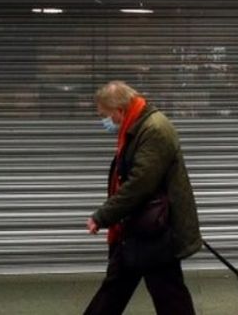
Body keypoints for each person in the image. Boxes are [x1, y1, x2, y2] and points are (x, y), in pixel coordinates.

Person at [84, 81, 202, 315]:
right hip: (143, 227)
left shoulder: (153, 129)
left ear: (119, 110)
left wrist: (103, 215)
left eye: (105, 116)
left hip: (154, 230)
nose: (105, 122)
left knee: (163, 293)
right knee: (131, 289)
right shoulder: (139, 126)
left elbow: (140, 184)